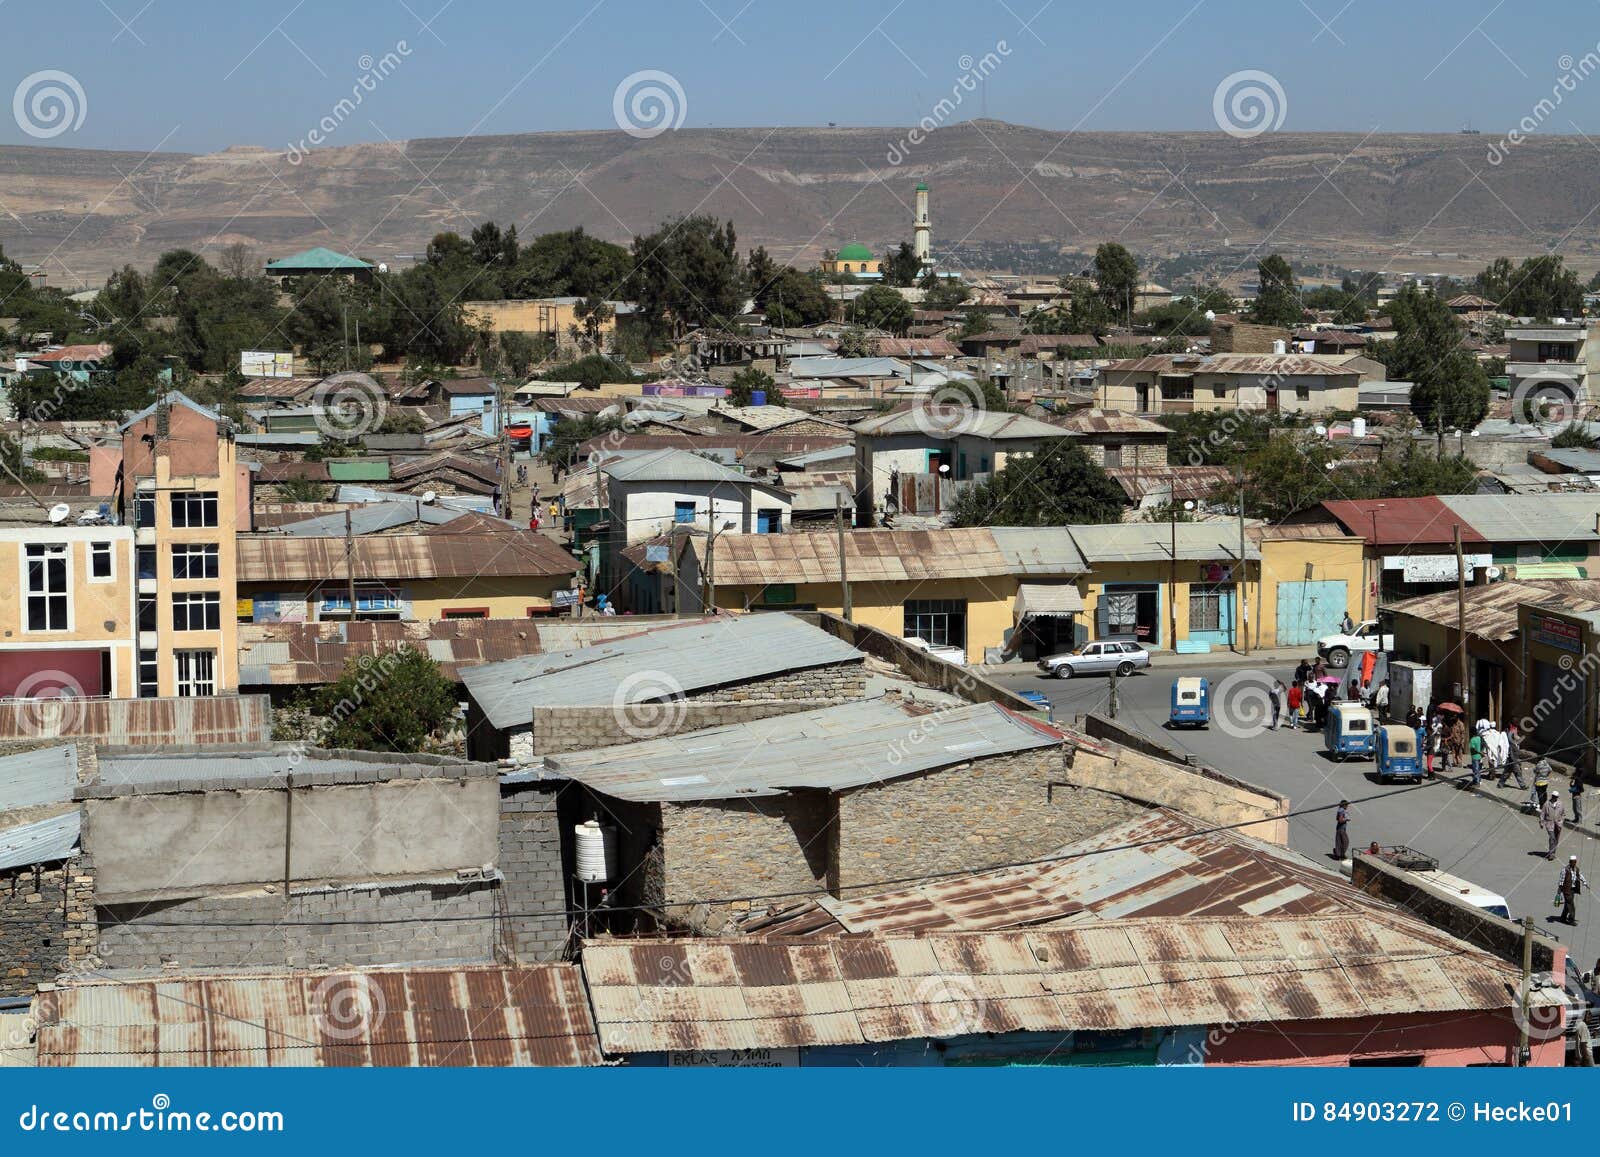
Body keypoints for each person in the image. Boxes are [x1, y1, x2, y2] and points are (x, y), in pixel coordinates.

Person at [1556, 856, 1589, 926]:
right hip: (1566, 890)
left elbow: (1580, 876)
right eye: (1572, 862)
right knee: (1571, 905)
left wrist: (1585, 883)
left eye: (1575, 862)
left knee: (1567, 904)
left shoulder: (1576, 869)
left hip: (1572, 890)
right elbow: (1561, 881)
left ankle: (1563, 918)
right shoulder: (1565, 870)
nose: (1574, 863)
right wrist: (1559, 891)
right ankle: (1571, 920)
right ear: (1570, 862)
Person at [1541, 789, 1567, 860]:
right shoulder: (1547, 804)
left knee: (1556, 838)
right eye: (1553, 796)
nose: (1554, 797)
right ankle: (1551, 853)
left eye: (1556, 796)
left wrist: (1561, 822)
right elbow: (1543, 813)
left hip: (1558, 824)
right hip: (1549, 823)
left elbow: (1563, 814)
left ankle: (1553, 852)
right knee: (1552, 838)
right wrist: (1541, 822)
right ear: (1552, 796)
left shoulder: (1560, 804)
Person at [1499, 723, 1527, 790]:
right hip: (1513, 761)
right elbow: (1512, 753)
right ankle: (1522, 786)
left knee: (1506, 773)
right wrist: (1516, 761)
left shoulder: (1515, 743)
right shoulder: (1512, 744)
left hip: (1512, 761)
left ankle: (1500, 784)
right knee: (1517, 773)